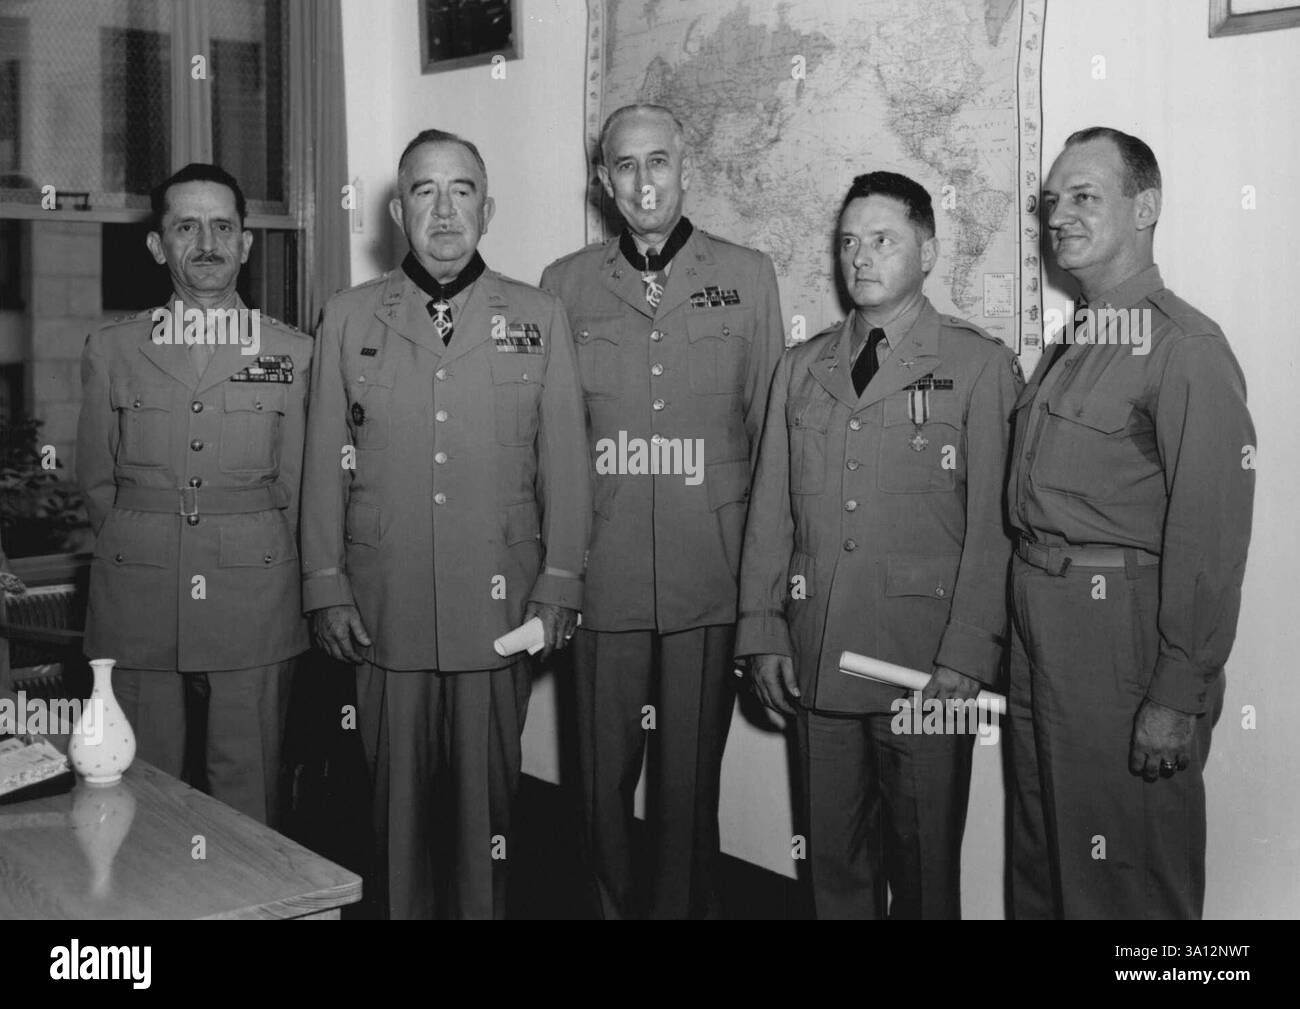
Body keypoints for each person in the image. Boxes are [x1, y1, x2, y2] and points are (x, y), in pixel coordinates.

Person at [300, 129, 589, 920]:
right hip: (382, 614)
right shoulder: (348, 316)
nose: (445, 208)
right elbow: (324, 461)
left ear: (487, 208)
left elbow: (564, 463)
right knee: (394, 828)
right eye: (424, 191)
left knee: (486, 825)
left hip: (497, 617)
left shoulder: (538, 315)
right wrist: (325, 588)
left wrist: (560, 582)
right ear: (398, 211)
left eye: (462, 189)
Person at [736, 171, 1021, 919]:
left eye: (883, 240)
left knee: (925, 873)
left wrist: (968, 654)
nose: (859, 257)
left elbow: (996, 527)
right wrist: (764, 631)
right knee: (832, 872)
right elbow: (771, 513)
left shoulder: (979, 366)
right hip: (820, 660)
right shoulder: (802, 369)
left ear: (927, 250)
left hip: (925, 668)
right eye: (848, 242)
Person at [540, 104, 785, 919]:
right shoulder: (564, 285)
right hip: (603, 576)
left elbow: (769, 443)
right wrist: (557, 576)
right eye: (624, 166)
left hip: (705, 577)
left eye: (658, 162)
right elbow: (553, 445)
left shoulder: (748, 276)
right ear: (603, 181)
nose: (643, 182)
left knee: (688, 788)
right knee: (598, 785)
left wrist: (764, 599)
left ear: (688, 166)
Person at [1006, 127, 1254, 920]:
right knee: (1046, 860)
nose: (1060, 218)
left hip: (1119, 640)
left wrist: (1177, 693)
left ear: (1145, 207)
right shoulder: (1078, 336)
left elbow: (1211, 536)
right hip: (1039, 626)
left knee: (1130, 880)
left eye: (1085, 197)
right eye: (1052, 202)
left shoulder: (1185, 347)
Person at [77, 162, 311, 825]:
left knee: (249, 784)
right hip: (141, 595)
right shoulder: (114, 349)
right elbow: (97, 482)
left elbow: (297, 490)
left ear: (245, 242)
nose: (206, 242)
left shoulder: (293, 354)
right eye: (186, 226)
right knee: (140, 784)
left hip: (254, 595)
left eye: (222, 226)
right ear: (157, 245)